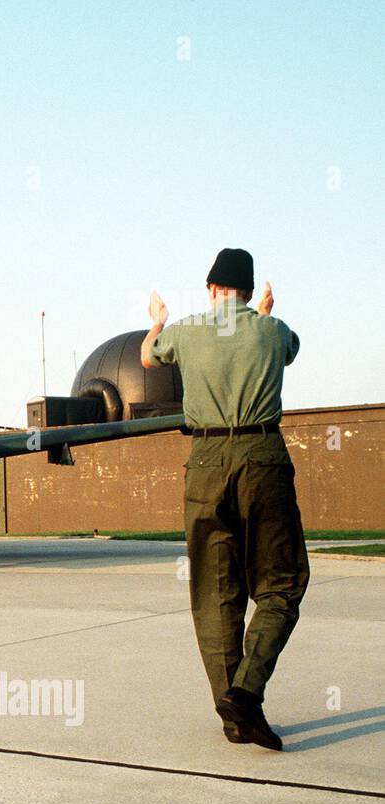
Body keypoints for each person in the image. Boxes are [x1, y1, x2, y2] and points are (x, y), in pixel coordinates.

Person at [141, 248, 308, 751]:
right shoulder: (273, 331)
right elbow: (288, 348)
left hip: (206, 460)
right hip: (262, 454)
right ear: (251, 291)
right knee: (281, 584)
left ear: (211, 288)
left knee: (215, 593)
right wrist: (263, 316)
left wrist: (157, 321)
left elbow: (149, 356)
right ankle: (245, 694)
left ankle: (235, 714)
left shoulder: (187, 331)